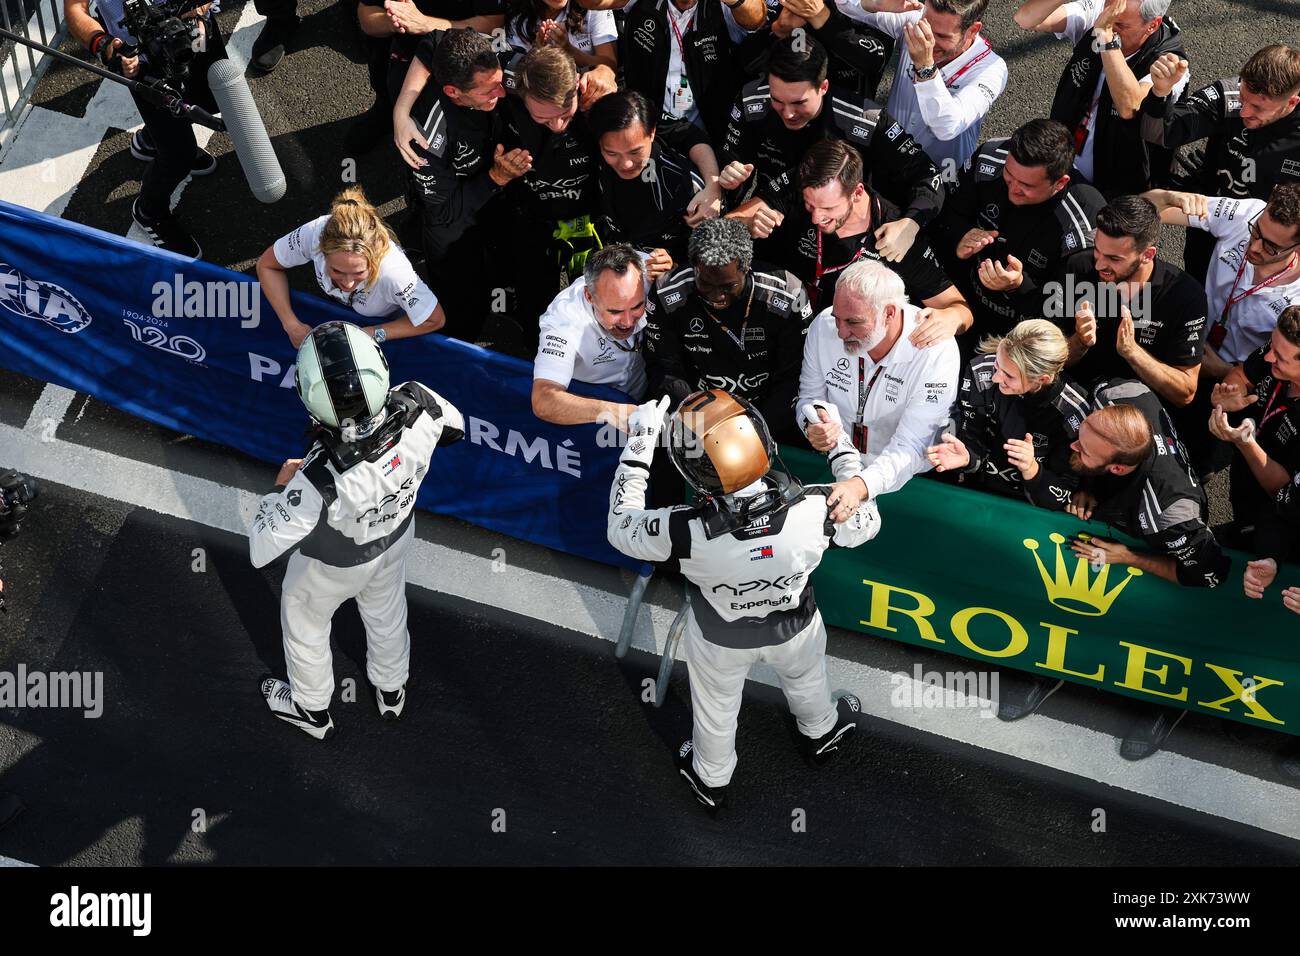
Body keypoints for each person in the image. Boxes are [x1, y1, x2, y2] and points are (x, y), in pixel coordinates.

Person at [606, 388, 881, 813]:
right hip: (797, 625)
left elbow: (621, 527)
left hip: (721, 638)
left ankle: (711, 781)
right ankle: (821, 733)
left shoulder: (684, 530)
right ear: (761, 440)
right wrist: (841, 447)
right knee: (807, 681)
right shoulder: (817, 506)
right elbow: (868, 520)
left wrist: (641, 439)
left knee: (716, 711)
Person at [250, 321, 466, 739]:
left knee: (304, 620)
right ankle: (391, 689)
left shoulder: (317, 477)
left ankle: (311, 711)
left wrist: (278, 488)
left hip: (334, 565)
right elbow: (455, 429)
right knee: (386, 610)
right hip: (398, 536)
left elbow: (261, 549)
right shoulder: (420, 401)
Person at [1064, 379, 1229, 757]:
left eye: (1084, 450)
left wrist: (1128, 557)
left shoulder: (1171, 517)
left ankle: (1166, 703)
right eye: (1081, 433)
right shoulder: (1118, 392)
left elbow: (1210, 576)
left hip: (1171, 515)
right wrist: (1083, 479)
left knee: (1171, 621)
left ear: (1118, 468)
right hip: (1139, 480)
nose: (1074, 443)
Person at [719, 33, 944, 261]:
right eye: (777, 99)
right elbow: (730, 163)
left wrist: (910, 225)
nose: (787, 113)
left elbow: (928, 175)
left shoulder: (865, 120)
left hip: (843, 234)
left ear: (823, 87)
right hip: (772, 219)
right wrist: (724, 180)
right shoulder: (751, 102)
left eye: (799, 102)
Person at [736, 139, 970, 341]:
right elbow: (724, 225)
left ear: (857, 193)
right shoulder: (799, 185)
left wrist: (950, 318)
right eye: (809, 205)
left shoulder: (896, 236)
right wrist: (746, 225)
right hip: (780, 322)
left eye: (828, 208)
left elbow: (961, 310)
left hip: (843, 341)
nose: (816, 217)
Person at [393, 28, 529, 340]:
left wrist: (400, 106)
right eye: (489, 91)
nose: (502, 93)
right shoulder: (425, 139)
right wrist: (496, 178)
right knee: (461, 296)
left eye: (498, 81)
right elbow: (444, 214)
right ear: (454, 92)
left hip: (497, 190)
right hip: (452, 213)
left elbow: (434, 38)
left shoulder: (486, 50)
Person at [65, 0, 227, 257]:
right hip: (143, 59)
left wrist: (203, 7)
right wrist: (104, 45)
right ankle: (150, 211)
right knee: (179, 155)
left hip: (193, 29)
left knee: (210, 96)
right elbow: (74, 9)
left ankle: (152, 139)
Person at [796, 259, 959, 503]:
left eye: (853, 322)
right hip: (840, 465)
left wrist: (860, 486)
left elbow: (913, 444)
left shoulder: (937, 350)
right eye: (838, 317)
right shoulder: (825, 324)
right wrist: (813, 423)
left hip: (909, 481)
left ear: (889, 313)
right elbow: (809, 397)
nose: (840, 332)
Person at [933, 119, 1106, 344]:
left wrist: (1019, 286)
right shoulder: (989, 157)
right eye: (1009, 175)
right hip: (959, 299)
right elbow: (947, 210)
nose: (1013, 189)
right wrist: (959, 236)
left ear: (1061, 183)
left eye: (1027, 186)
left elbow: (1069, 312)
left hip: (1021, 338)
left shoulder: (1085, 222)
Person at [645, 218, 814, 445]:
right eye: (705, 283)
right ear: (693, 267)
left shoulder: (788, 294)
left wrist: (755, 431)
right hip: (701, 423)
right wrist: (701, 424)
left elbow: (795, 376)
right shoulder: (667, 294)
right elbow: (665, 370)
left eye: (728, 286)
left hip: (773, 420)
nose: (717, 296)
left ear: (746, 268)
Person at [1139, 43, 1300, 280]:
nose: (1244, 112)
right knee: (1198, 286)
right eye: (1244, 98)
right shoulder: (1228, 96)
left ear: (1291, 103)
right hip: (1211, 226)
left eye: (1257, 107)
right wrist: (1160, 93)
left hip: (1271, 246)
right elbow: (1159, 133)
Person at [1014, 0, 1189, 197]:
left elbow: (1130, 107)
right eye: (1108, 20)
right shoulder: (1102, 13)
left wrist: (1106, 38)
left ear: (1152, 25)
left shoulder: (1170, 63)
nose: (1112, 28)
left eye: (1121, 25)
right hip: (1060, 165)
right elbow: (1026, 19)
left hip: (1119, 191)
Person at [1058, 194, 1206, 409]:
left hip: (1137, 410)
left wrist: (1131, 351)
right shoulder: (1079, 267)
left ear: (1147, 255)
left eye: (1114, 259)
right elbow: (1049, 360)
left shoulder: (1186, 296)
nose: (1099, 265)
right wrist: (1080, 341)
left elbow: (1185, 392)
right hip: (1075, 394)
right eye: (1098, 251)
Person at [926, 319, 1089, 508]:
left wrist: (1032, 469)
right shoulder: (981, 374)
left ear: (1042, 379)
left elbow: (1065, 494)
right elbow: (971, 440)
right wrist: (968, 458)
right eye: (997, 363)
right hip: (972, 493)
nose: (995, 377)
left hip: (1027, 508)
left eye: (1009, 376)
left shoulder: (1072, 413)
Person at [258, 188, 447, 348]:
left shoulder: (394, 274)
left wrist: (372, 334)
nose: (347, 283)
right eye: (337, 271)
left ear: (374, 259)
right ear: (322, 250)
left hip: (390, 317)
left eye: (359, 273)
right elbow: (267, 266)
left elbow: (434, 319)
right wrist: (290, 324)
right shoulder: (315, 233)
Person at [834, 0, 1007, 170]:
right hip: (889, 154)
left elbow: (947, 126)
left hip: (942, 176)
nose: (927, 41)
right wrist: (874, 4)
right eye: (926, 27)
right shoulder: (914, 19)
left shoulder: (991, 70)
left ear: (972, 30)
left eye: (941, 36)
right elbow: (842, 3)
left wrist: (925, 68)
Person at [601, 0, 767, 151]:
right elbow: (594, 2)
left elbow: (757, 18)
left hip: (711, 136)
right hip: (650, 133)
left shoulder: (720, 7)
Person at [587, 91, 719, 275]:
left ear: (652, 133)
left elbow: (711, 257)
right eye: (612, 153)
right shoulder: (591, 162)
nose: (625, 164)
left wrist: (674, 265)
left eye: (635, 152)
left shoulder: (686, 186)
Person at [350, 0, 507, 152]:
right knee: (387, 88)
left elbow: (492, 24)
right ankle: (385, 111)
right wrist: (394, 22)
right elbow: (366, 16)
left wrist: (425, 24)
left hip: (467, 65)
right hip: (405, 53)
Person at [532, 243, 651, 429]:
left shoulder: (646, 269)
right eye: (615, 311)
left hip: (646, 391)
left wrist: (671, 268)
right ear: (589, 296)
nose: (628, 322)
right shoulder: (564, 321)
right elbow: (543, 400)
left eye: (637, 306)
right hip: (593, 415)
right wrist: (612, 412)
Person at [1208, 306, 1300, 543]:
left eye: (1279, 357)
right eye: (1271, 346)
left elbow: (1284, 492)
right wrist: (1232, 392)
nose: (1269, 357)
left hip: (1277, 521)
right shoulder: (1274, 352)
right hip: (1244, 481)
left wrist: (1246, 443)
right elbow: (1241, 374)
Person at [734, 0, 893, 101]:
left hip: (845, 123)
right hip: (782, 112)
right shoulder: (781, 4)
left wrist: (822, 18)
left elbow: (875, 61)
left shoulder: (871, 5)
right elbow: (746, 64)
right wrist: (778, 30)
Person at [504, 0, 618, 71]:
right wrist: (538, 54)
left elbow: (610, 66)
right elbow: (518, 77)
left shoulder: (593, 5)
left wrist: (570, 51)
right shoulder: (518, 18)